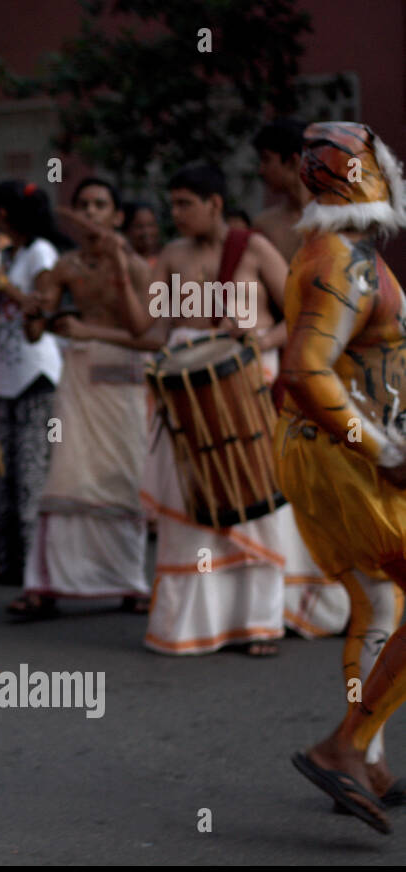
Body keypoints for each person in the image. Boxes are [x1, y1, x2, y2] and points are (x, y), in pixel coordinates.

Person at [136, 162, 318, 656]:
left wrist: (260, 339)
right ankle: (190, 626)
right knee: (190, 506)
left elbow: (301, 315)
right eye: (172, 204)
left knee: (253, 504)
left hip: (246, 385)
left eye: (185, 204)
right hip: (187, 390)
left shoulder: (253, 248)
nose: (176, 214)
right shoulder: (170, 256)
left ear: (215, 203)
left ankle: (259, 624)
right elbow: (156, 328)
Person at [280, 122, 406, 833]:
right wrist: (386, 451)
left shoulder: (346, 254)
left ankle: (368, 757)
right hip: (347, 459)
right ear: (369, 178)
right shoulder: (342, 260)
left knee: (378, 603)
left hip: (341, 452)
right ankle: (345, 746)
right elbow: (304, 372)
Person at [9, 177, 152, 617]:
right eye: (83, 204)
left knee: (123, 474)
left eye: (100, 205)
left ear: (117, 216)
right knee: (65, 475)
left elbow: (145, 335)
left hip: (124, 375)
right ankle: (47, 583)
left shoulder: (142, 269)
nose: (90, 212)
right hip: (77, 378)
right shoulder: (66, 267)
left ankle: (130, 582)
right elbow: (36, 330)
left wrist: (119, 270)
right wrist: (32, 312)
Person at [0, 179, 72, 588]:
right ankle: (6, 562)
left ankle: (33, 569)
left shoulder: (41, 253)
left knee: (30, 475)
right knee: (4, 473)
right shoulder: (9, 253)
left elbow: (43, 305)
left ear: (5, 214)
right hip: (7, 375)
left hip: (35, 374)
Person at [252, 118, 311, 263]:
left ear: (292, 161)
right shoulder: (265, 224)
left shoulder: (338, 218)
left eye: (267, 160)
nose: (261, 170)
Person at [122, 201, 162, 269]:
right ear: (127, 231)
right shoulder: (122, 262)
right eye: (139, 226)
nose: (146, 232)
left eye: (151, 225)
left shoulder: (168, 259)